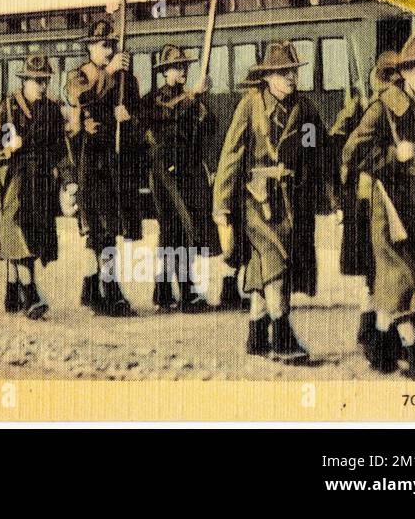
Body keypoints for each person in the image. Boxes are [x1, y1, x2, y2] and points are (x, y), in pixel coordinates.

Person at [341, 34, 415, 381]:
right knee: (400, 277)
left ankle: (381, 342)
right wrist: (393, 155)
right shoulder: (384, 107)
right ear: (405, 73)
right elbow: (352, 153)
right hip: (393, 206)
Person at [213, 41, 327, 364]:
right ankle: (284, 335)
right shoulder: (250, 105)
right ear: (268, 76)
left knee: (270, 263)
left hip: (292, 200)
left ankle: (257, 333)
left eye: (293, 71)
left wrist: (324, 192)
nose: (290, 78)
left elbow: (315, 152)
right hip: (257, 199)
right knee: (274, 260)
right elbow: (231, 155)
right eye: (282, 72)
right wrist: (221, 205)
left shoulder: (305, 110)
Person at [0, 54, 72, 319]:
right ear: (25, 81)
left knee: (32, 230)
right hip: (15, 177)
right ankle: (31, 293)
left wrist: (68, 177)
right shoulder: (10, 108)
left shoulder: (52, 110)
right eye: (36, 81)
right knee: (18, 229)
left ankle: (12, 291)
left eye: (45, 81)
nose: (42, 87)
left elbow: (59, 148)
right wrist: (8, 148)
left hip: (41, 178)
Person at [64, 15, 144, 316]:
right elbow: (79, 96)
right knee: (99, 230)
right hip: (90, 161)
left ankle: (92, 288)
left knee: (107, 230)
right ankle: (109, 290)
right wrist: (108, 73)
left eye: (111, 45)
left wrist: (128, 119)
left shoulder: (127, 81)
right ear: (90, 48)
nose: (108, 51)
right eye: (102, 45)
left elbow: (138, 119)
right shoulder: (79, 75)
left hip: (116, 161)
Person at [329, 51, 397, 351]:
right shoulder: (362, 107)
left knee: (382, 268)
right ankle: (374, 333)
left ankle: (373, 329)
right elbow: (338, 143)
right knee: (375, 267)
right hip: (364, 198)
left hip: (384, 197)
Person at [141, 44, 214, 313]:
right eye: (176, 67)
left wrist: (202, 102)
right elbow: (167, 114)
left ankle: (165, 291)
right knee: (180, 227)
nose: (182, 70)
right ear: (164, 72)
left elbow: (209, 126)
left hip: (187, 169)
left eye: (184, 66)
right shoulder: (155, 98)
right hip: (165, 170)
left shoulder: (189, 96)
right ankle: (185, 292)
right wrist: (193, 97)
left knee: (175, 230)